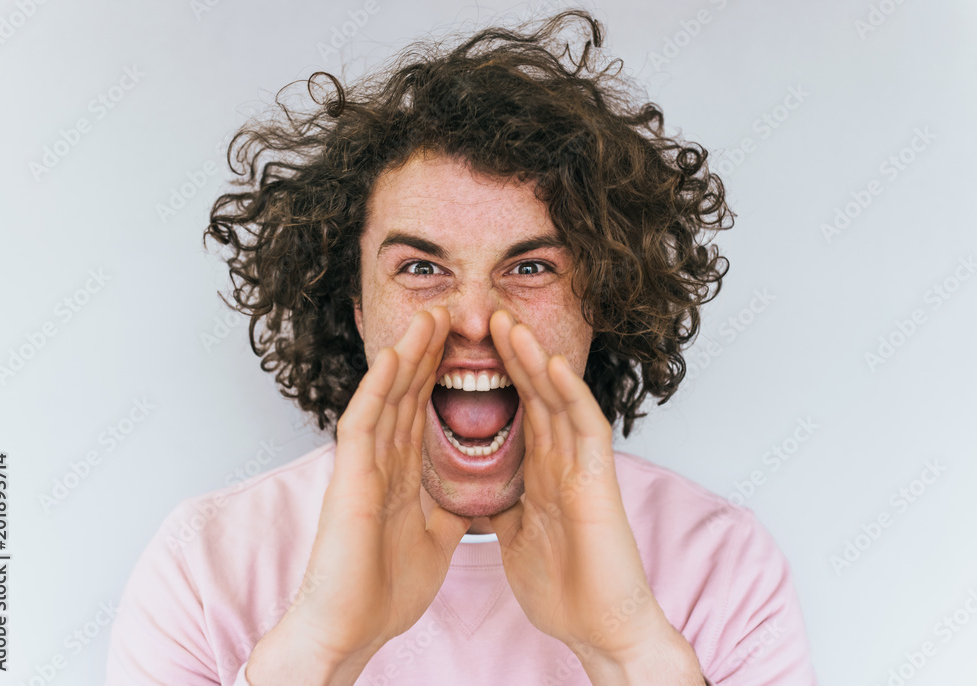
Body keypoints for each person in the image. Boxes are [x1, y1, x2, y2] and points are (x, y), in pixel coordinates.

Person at [105, 9, 817, 685]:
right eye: (421, 269)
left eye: (531, 267)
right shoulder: (203, 566)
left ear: (599, 303)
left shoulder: (724, 565)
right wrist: (321, 649)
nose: (474, 317)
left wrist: (624, 651)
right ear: (356, 306)